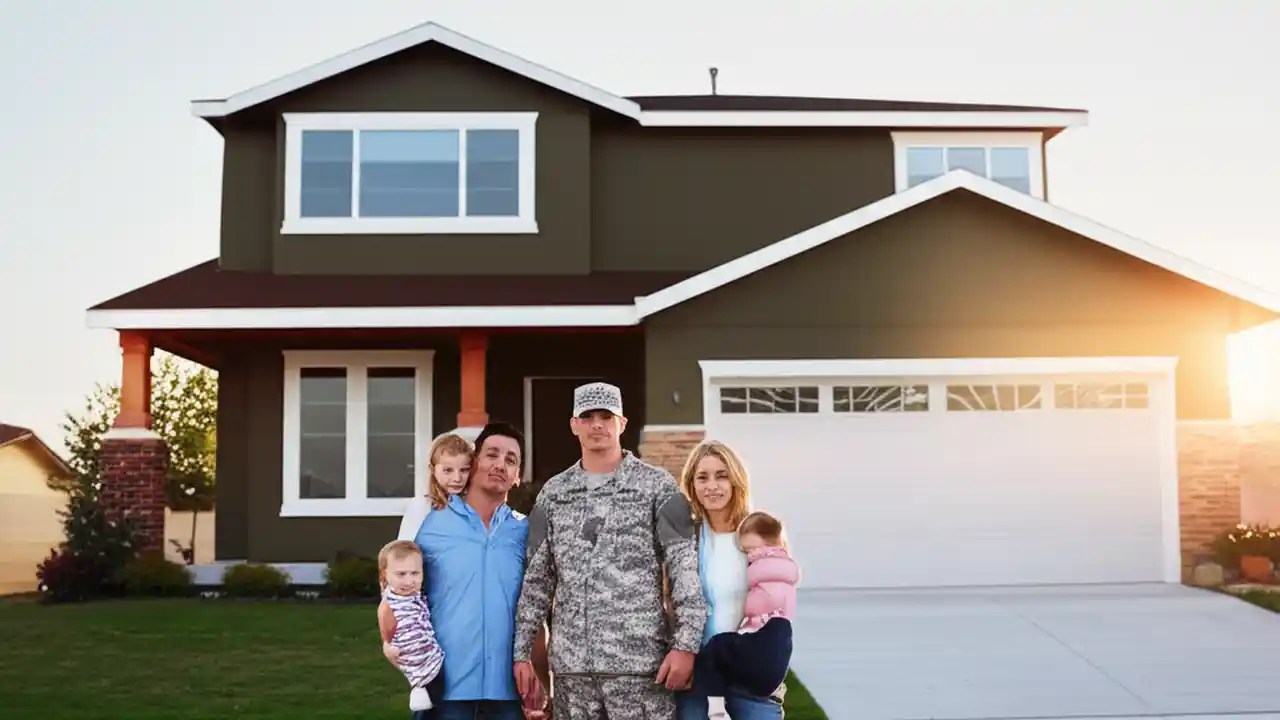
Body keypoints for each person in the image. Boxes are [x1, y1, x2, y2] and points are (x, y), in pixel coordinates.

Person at [512, 382, 707, 719]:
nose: (597, 425)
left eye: (606, 416)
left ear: (622, 423)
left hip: (641, 673)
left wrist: (686, 645)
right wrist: (522, 652)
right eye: (587, 417)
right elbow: (537, 582)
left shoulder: (659, 487)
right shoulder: (552, 495)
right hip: (574, 678)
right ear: (574, 425)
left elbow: (684, 571)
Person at [389, 421, 547, 720]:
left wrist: (541, 679)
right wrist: (389, 642)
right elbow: (393, 588)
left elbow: (536, 610)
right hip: (444, 692)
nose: (500, 464)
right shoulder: (427, 519)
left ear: (517, 477)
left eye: (511, 460)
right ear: (473, 463)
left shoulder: (525, 531)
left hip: (508, 697)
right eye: (492, 454)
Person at [675, 440, 786, 720]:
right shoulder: (684, 538)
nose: (712, 486)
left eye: (721, 476)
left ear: (736, 480)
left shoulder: (758, 533)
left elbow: (780, 602)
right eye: (703, 477)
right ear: (692, 485)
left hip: (749, 675)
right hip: (699, 674)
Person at [692, 511, 798, 720]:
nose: (749, 556)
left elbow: (763, 599)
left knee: (715, 649)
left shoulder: (767, 565)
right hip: (771, 658)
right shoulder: (785, 568)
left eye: (750, 550)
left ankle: (716, 709)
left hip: (760, 645)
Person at [377, 540, 446, 712]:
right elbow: (387, 633)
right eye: (401, 574)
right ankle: (420, 690)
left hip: (434, 659)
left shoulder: (413, 596)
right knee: (435, 706)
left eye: (415, 573)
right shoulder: (389, 605)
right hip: (419, 665)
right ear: (385, 574)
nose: (409, 581)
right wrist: (388, 646)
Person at [396, 432, 474, 542]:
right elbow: (403, 549)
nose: (457, 478)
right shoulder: (421, 506)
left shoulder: (475, 506)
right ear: (432, 469)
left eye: (464, 470)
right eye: (448, 470)